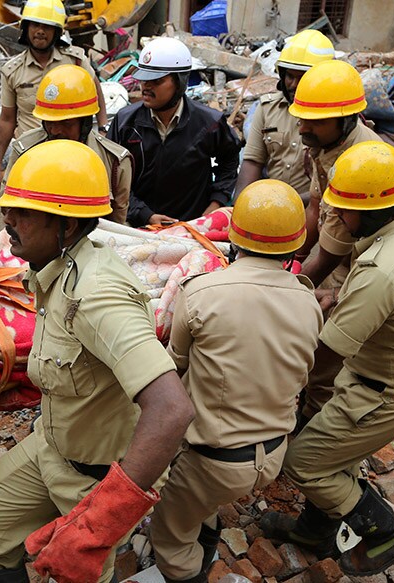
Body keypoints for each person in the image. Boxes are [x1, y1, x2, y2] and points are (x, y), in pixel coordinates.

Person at [0, 140, 194, 583]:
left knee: (77, 572)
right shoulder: (57, 267)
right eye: (9, 208)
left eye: (23, 212)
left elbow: (172, 409)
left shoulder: (98, 296)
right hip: (53, 448)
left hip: (96, 480)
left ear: (66, 224)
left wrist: (98, 524)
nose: (6, 220)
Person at [260, 141, 394, 575]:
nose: (337, 217)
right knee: (338, 457)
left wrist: (263, 359)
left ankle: (387, 532)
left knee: (305, 464)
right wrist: (334, 294)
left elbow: (325, 350)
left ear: (368, 211)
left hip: (384, 390)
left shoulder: (380, 271)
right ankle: (315, 530)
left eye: (343, 210)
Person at [149, 180, 322, 582]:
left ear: (233, 236)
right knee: (202, 504)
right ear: (295, 246)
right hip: (272, 454)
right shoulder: (308, 301)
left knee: (170, 532)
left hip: (215, 459)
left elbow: (173, 368)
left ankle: (189, 570)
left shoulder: (201, 292)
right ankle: (206, 545)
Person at [286, 59, 380, 422]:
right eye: (302, 117)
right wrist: (293, 257)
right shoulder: (325, 142)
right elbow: (315, 207)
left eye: (315, 121)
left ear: (347, 119)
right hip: (334, 246)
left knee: (324, 352)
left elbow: (330, 255)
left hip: (357, 261)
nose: (303, 128)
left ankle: (314, 425)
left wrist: (286, 289)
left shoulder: (356, 161)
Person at [107, 37, 241, 227]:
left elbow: (229, 160)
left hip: (192, 230)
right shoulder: (125, 123)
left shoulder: (209, 123)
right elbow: (112, 178)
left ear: (179, 82)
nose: (145, 87)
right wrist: (145, 214)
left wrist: (216, 203)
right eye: (143, 79)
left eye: (156, 81)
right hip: (136, 227)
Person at [0, 0, 107, 195]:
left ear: (57, 32)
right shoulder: (12, 71)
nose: (40, 31)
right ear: (25, 28)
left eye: (47, 26)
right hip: (30, 157)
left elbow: (97, 94)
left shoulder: (76, 60)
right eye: (35, 25)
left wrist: (103, 130)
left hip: (72, 154)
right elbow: (7, 120)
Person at [4, 64, 132, 224]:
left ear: (85, 123)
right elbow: (7, 216)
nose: (55, 130)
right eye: (49, 122)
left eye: (66, 123)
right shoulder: (24, 152)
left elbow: (117, 227)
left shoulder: (115, 163)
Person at [235, 30, 334, 198]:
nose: (294, 84)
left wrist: (286, 204)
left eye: (302, 78)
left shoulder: (334, 118)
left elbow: (332, 186)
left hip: (312, 210)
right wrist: (241, 207)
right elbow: (252, 162)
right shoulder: (267, 108)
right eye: (289, 76)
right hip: (269, 204)